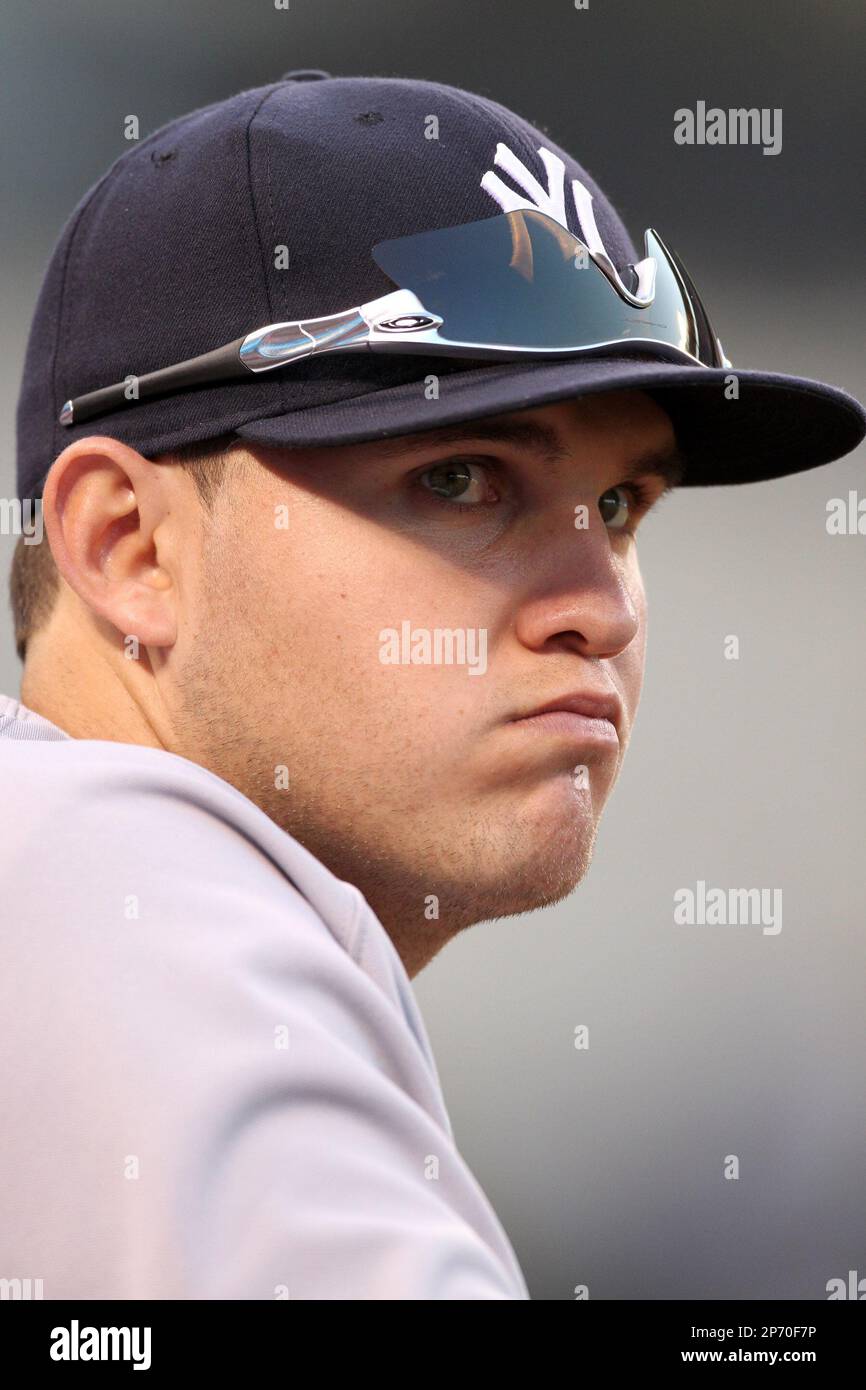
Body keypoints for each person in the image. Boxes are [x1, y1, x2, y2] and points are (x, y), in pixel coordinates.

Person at [1, 71, 863, 1301]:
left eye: (618, 507)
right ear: (131, 548)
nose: (604, 609)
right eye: (462, 478)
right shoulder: (111, 882)